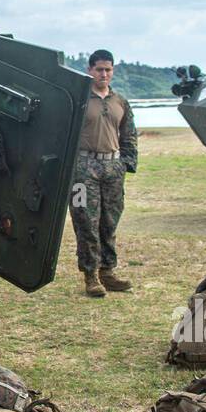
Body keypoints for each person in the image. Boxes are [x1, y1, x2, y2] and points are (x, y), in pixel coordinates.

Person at [69, 50, 138, 297]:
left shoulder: (120, 101)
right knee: (86, 221)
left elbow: (129, 135)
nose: (104, 74)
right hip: (83, 170)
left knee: (110, 221)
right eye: (99, 69)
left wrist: (126, 164)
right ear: (90, 70)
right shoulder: (79, 100)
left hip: (112, 169)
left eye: (108, 69)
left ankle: (108, 272)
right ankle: (91, 275)